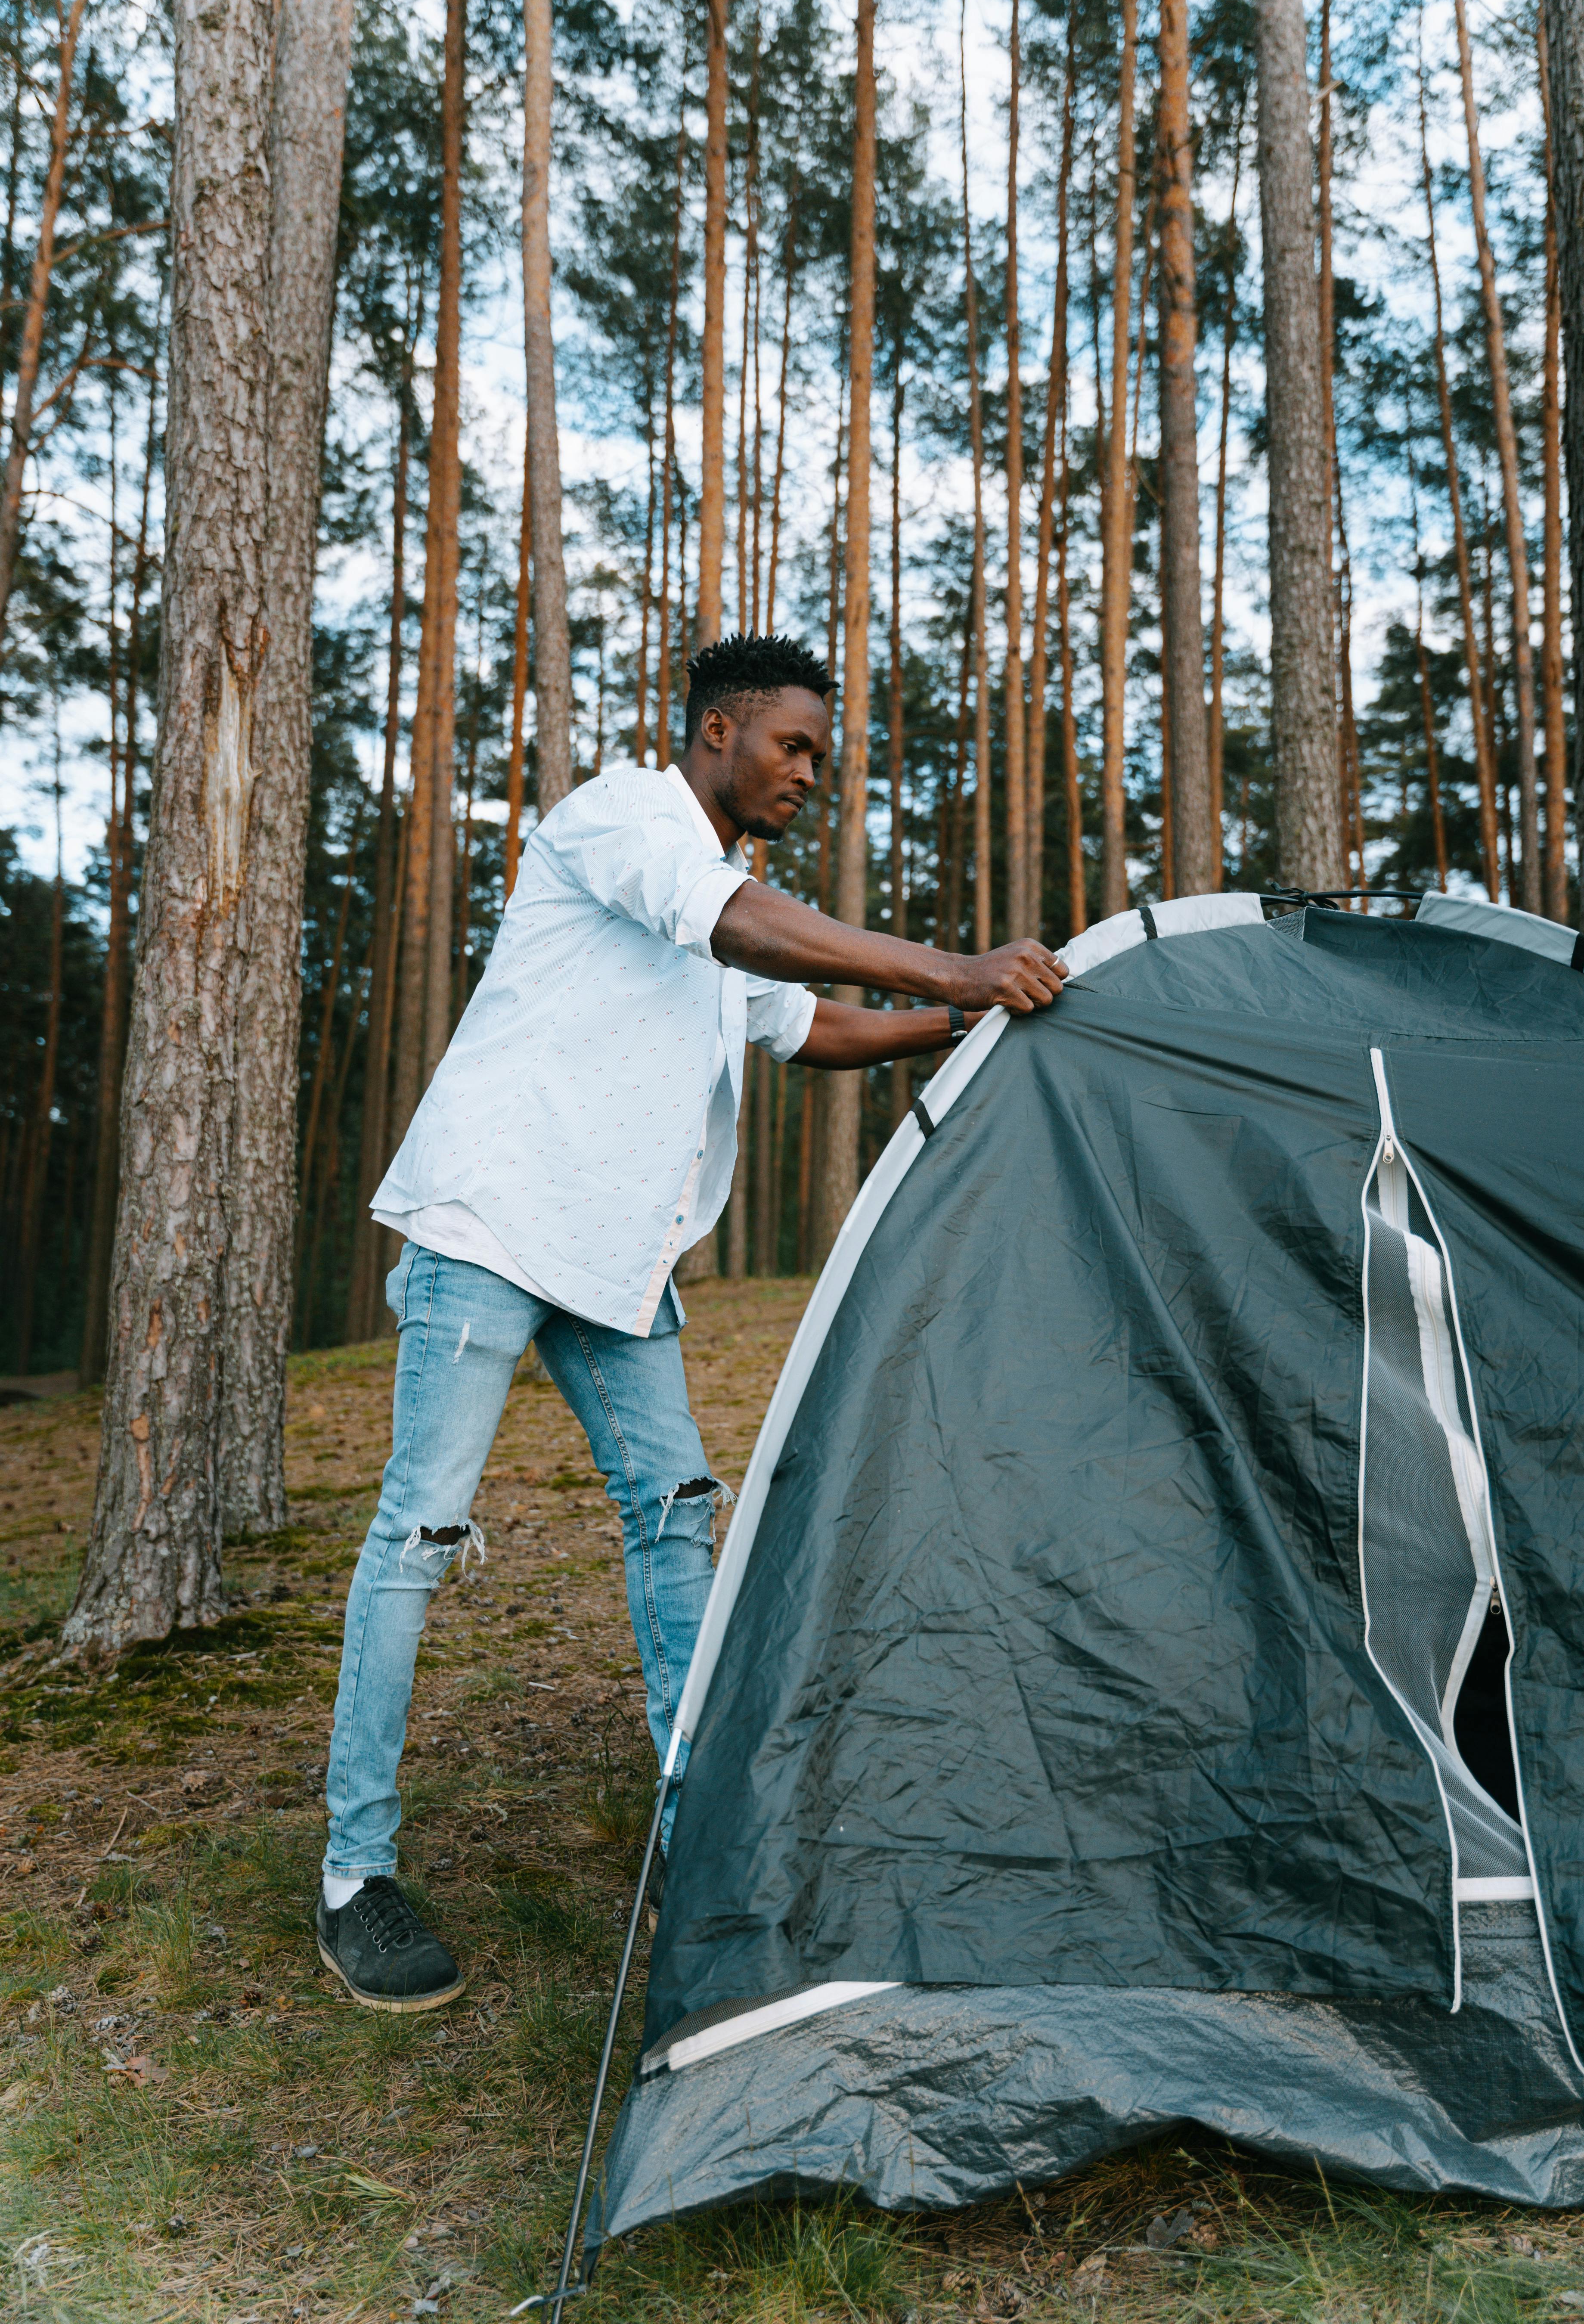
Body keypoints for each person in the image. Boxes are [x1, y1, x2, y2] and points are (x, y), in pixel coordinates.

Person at [316, 632, 1069, 2011]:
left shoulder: (743, 898)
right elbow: (731, 928)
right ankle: (355, 1877)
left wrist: (968, 1026)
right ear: (720, 729)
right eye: (794, 747)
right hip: (492, 1225)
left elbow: (800, 1027)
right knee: (419, 1534)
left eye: (822, 758)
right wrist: (955, 968)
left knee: (676, 1512)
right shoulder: (624, 821)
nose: (811, 776)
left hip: (620, 1259)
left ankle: (692, 1824)